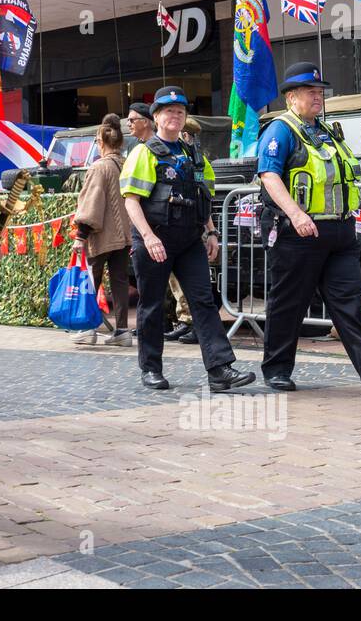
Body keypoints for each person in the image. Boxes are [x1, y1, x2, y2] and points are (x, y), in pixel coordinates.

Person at [256, 61, 361, 395]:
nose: (318, 97)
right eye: (311, 92)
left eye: (320, 92)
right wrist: (296, 215)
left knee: (349, 303)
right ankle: (277, 370)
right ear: (292, 96)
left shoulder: (325, 130)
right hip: (298, 233)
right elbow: (269, 176)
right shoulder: (280, 130)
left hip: (339, 233)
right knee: (289, 303)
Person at [121, 87, 254, 392]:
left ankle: (220, 370)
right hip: (155, 238)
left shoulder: (195, 155)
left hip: (189, 240)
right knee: (153, 305)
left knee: (204, 302)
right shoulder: (144, 152)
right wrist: (149, 237)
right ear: (156, 117)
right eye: (169, 111)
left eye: (180, 111)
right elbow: (131, 201)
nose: (175, 116)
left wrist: (211, 232)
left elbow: (202, 198)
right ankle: (151, 369)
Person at [71, 114, 133, 346]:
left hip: (101, 235)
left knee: (91, 281)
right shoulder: (125, 165)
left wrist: (81, 235)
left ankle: (88, 328)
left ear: (101, 142)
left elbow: (91, 203)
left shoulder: (99, 167)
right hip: (125, 235)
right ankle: (123, 331)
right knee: (119, 281)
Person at [166, 117, 205, 344]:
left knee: (187, 284)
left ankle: (190, 321)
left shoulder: (194, 160)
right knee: (177, 283)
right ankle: (186, 320)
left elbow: (204, 192)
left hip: (190, 227)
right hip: (182, 226)